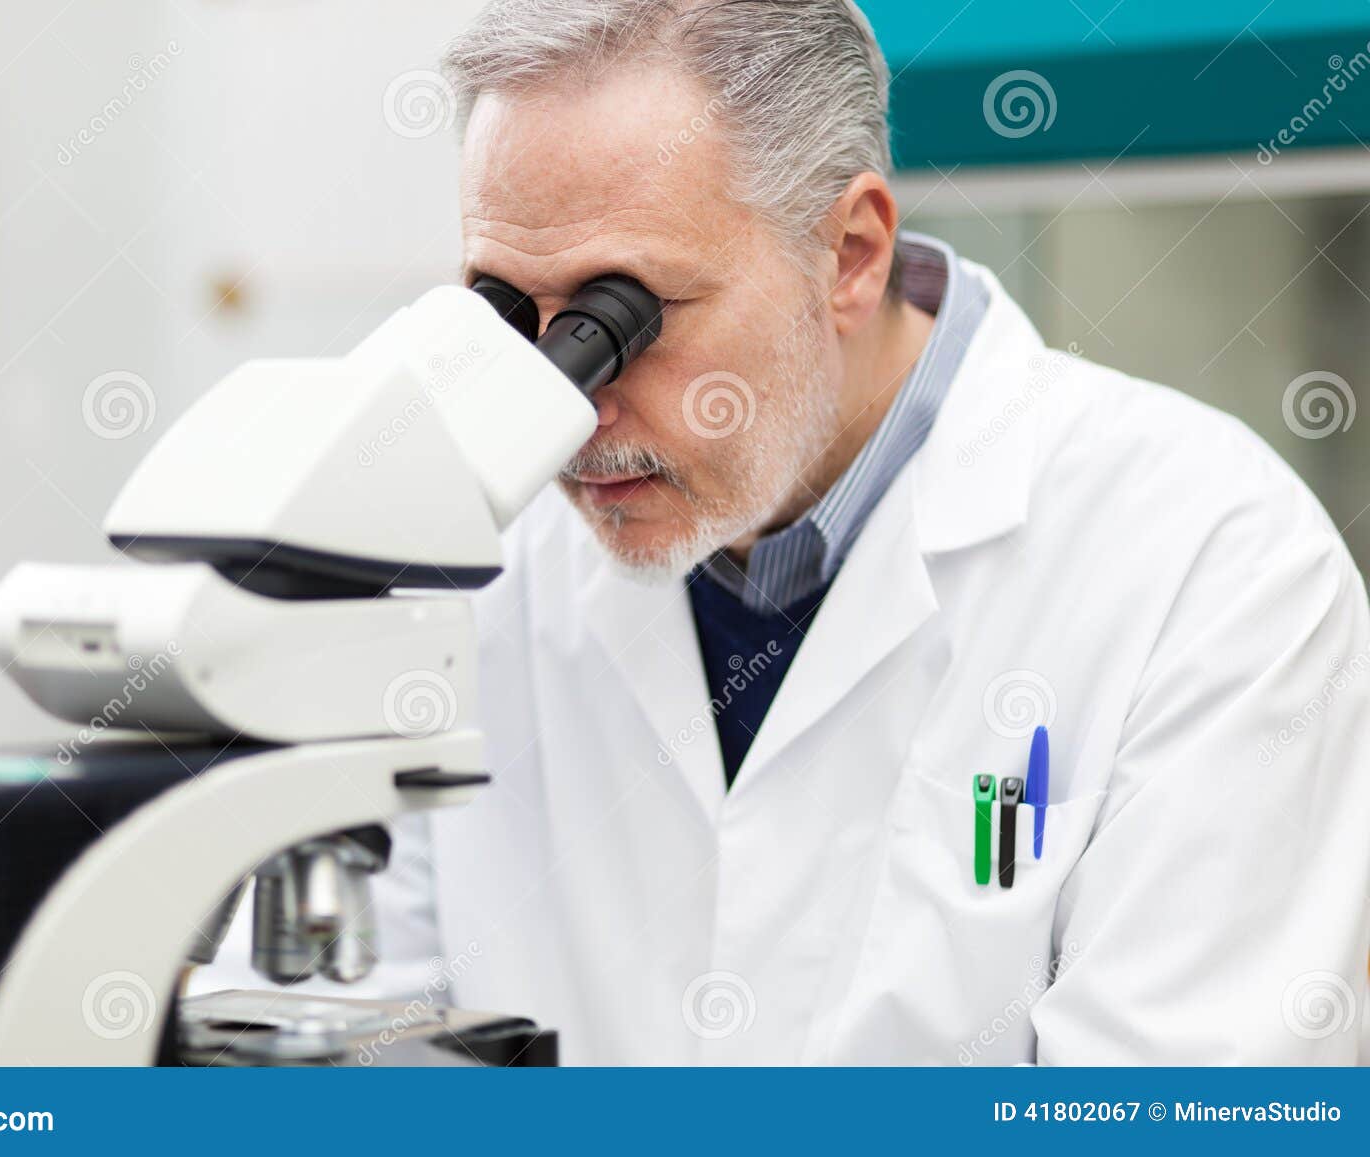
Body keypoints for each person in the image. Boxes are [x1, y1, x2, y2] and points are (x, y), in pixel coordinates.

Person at [365, 0, 1370, 1064]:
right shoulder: (472, 557)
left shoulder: (1211, 565)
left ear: (848, 253)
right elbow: (359, 1026)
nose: (571, 403)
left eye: (621, 315)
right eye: (512, 311)